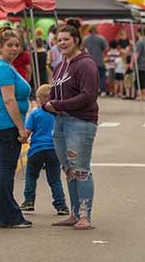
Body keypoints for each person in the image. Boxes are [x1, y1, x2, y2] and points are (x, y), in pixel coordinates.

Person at [44, 19, 99, 230]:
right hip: (60, 122)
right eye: (59, 40)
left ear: (76, 40)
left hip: (80, 122)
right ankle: (74, 214)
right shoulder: (61, 65)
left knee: (81, 169)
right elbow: (54, 90)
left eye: (66, 39)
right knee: (68, 169)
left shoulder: (85, 64)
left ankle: (85, 215)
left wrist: (57, 104)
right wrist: (46, 102)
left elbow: (88, 95)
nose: (62, 43)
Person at [0, 27, 32, 229]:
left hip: (2, 121)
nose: (14, 49)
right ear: (0, 46)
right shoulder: (3, 68)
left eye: (17, 45)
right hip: (6, 123)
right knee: (6, 169)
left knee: (0, 168)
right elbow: (9, 100)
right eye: (9, 45)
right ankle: (9, 215)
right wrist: (21, 128)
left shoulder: (4, 64)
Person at [21, 84, 69, 215]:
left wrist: (22, 138)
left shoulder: (35, 114)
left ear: (39, 100)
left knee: (31, 175)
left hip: (37, 149)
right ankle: (61, 205)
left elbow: (27, 132)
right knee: (55, 179)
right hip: (54, 149)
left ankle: (29, 201)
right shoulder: (57, 115)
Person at [83, 26, 108, 96]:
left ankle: (92, 90)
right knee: (102, 76)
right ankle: (102, 90)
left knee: (90, 77)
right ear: (96, 30)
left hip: (89, 60)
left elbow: (82, 48)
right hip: (99, 60)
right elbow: (106, 48)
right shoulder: (101, 38)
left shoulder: (85, 39)